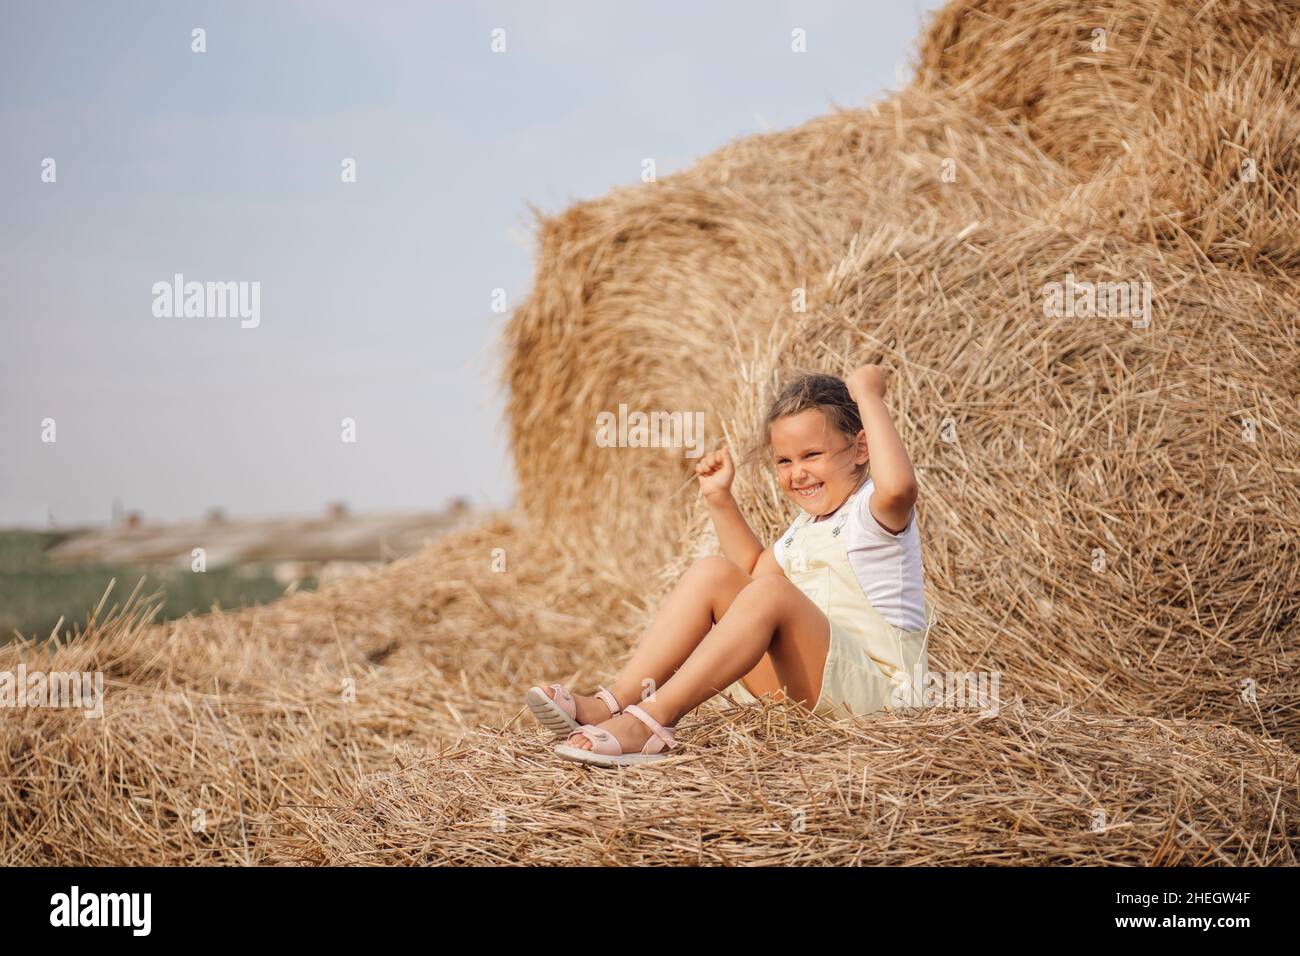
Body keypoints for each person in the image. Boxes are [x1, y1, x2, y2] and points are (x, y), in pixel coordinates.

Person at [525, 364, 934, 766]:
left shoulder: (872, 512)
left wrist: (868, 396)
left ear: (861, 449)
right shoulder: (803, 529)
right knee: (713, 573)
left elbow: (900, 487)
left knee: (772, 593)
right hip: (824, 691)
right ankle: (611, 702)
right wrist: (720, 500)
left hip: (882, 705)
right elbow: (753, 577)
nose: (798, 473)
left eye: (812, 454)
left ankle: (651, 720)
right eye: (784, 462)